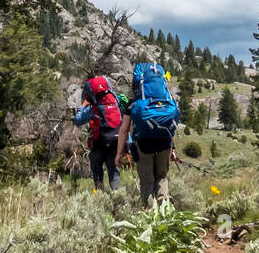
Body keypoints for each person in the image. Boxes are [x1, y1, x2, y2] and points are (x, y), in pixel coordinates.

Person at [116, 63, 181, 205]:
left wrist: (118, 154)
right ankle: (164, 214)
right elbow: (170, 126)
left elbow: (124, 130)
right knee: (162, 178)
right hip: (165, 144)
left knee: (147, 181)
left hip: (144, 145)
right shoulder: (168, 101)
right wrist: (173, 149)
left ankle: (151, 216)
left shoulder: (133, 104)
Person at [73, 75, 122, 191]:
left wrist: (83, 106)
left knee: (97, 170)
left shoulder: (93, 108)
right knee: (113, 170)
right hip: (115, 141)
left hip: (98, 144)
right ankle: (117, 196)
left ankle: (99, 195)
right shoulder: (116, 102)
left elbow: (77, 120)